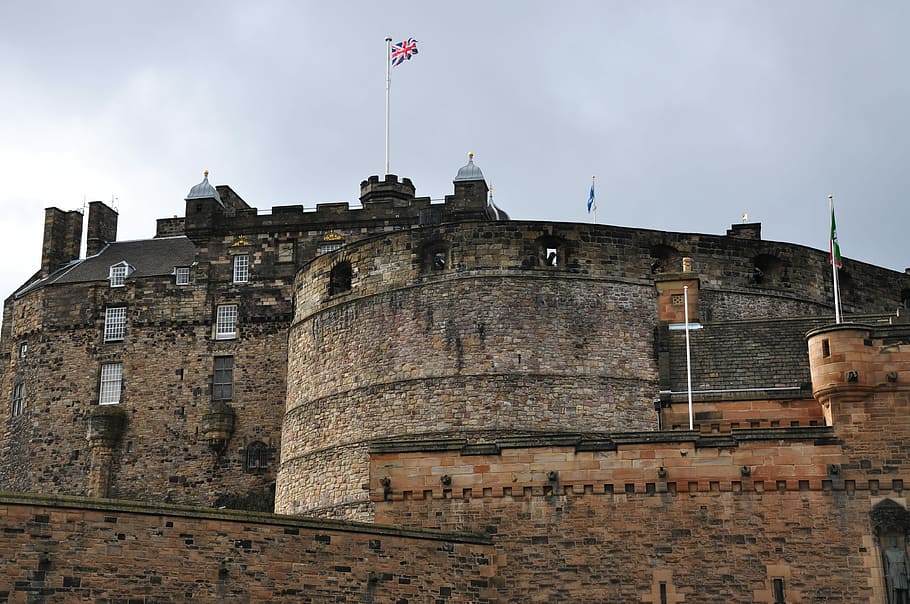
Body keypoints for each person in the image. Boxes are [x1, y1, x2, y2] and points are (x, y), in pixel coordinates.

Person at [885, 537, 909, 604]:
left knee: (904, 589)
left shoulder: (902, 552)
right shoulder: (887, 552)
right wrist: (887, 574)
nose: (894, 542)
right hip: (893, 571)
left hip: (902, 571)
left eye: (895, 541)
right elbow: (886, 564)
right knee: (895, 589)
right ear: (891, 543)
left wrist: (908, 574)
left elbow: (907, 563)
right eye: (892, 541)